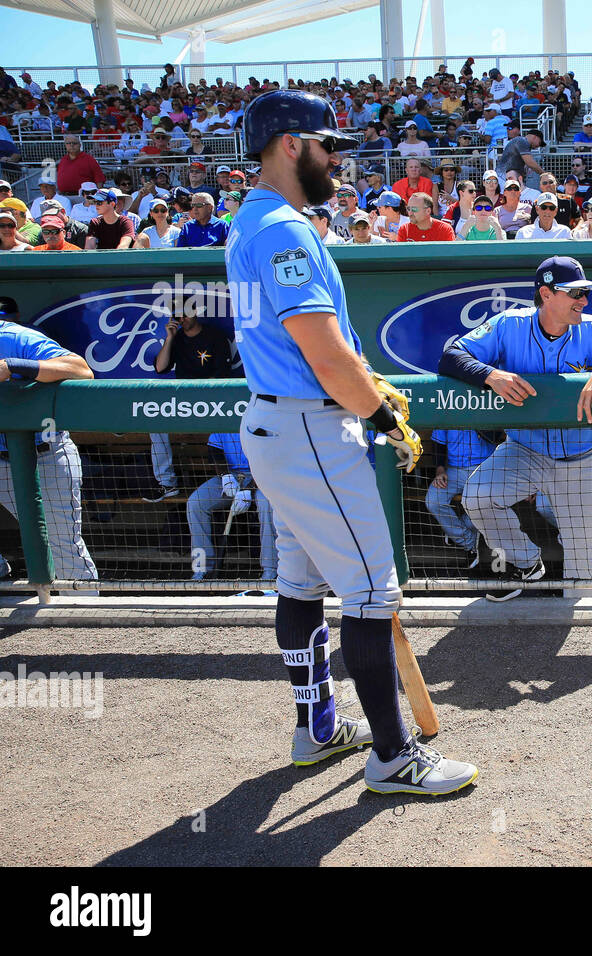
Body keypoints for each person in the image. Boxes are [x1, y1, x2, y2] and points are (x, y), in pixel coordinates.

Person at [229, 88, 478, 795]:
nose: (337, 157)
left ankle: (316, 729)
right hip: (311, 425)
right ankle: (395, 760)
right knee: (372, 592)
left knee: (301, 581)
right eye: (327, 143)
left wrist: (360, 393)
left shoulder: (251, 219)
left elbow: (319, 346)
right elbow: (324, 352)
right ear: (290, 146)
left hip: (283, 423)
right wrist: (379, 414)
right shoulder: (282, 227)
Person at [438, 255, 592, 599]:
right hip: (524, 450)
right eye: (575, 293)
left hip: (581, 458)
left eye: (585, 293)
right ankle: (525, 561)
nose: (583, 301)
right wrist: (489, 374)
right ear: (546, 293)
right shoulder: (509, 325)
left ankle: (584, 641)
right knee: (478, 496)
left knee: (581, 567)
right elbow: (451, 355)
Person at [0, 306, 99, 591]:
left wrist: (14, 366)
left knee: (62, 544)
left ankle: (89, 615)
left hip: (44, 456)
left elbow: (81, 370)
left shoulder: (15, 338)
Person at [187, 432, 277, 582]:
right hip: (232, 476)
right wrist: (225, 476)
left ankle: (270, 569)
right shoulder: (222, 421)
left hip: (262, 477)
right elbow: (215, 454)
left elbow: (270, 459)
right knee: (195, 503)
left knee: (266, 503)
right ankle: (201, 568)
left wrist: (249, 489)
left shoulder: (258, 416)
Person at [425, 429, 494, 568]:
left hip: (484, 466)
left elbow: (495, 435)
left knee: (489, 502)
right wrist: (440, 470)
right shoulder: (447, 409)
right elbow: (438, 443)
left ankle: (457, 530)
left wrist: (474, 418)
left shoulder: (484, 407)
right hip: (453, 469)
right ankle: (468, 541)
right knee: (433, 501)